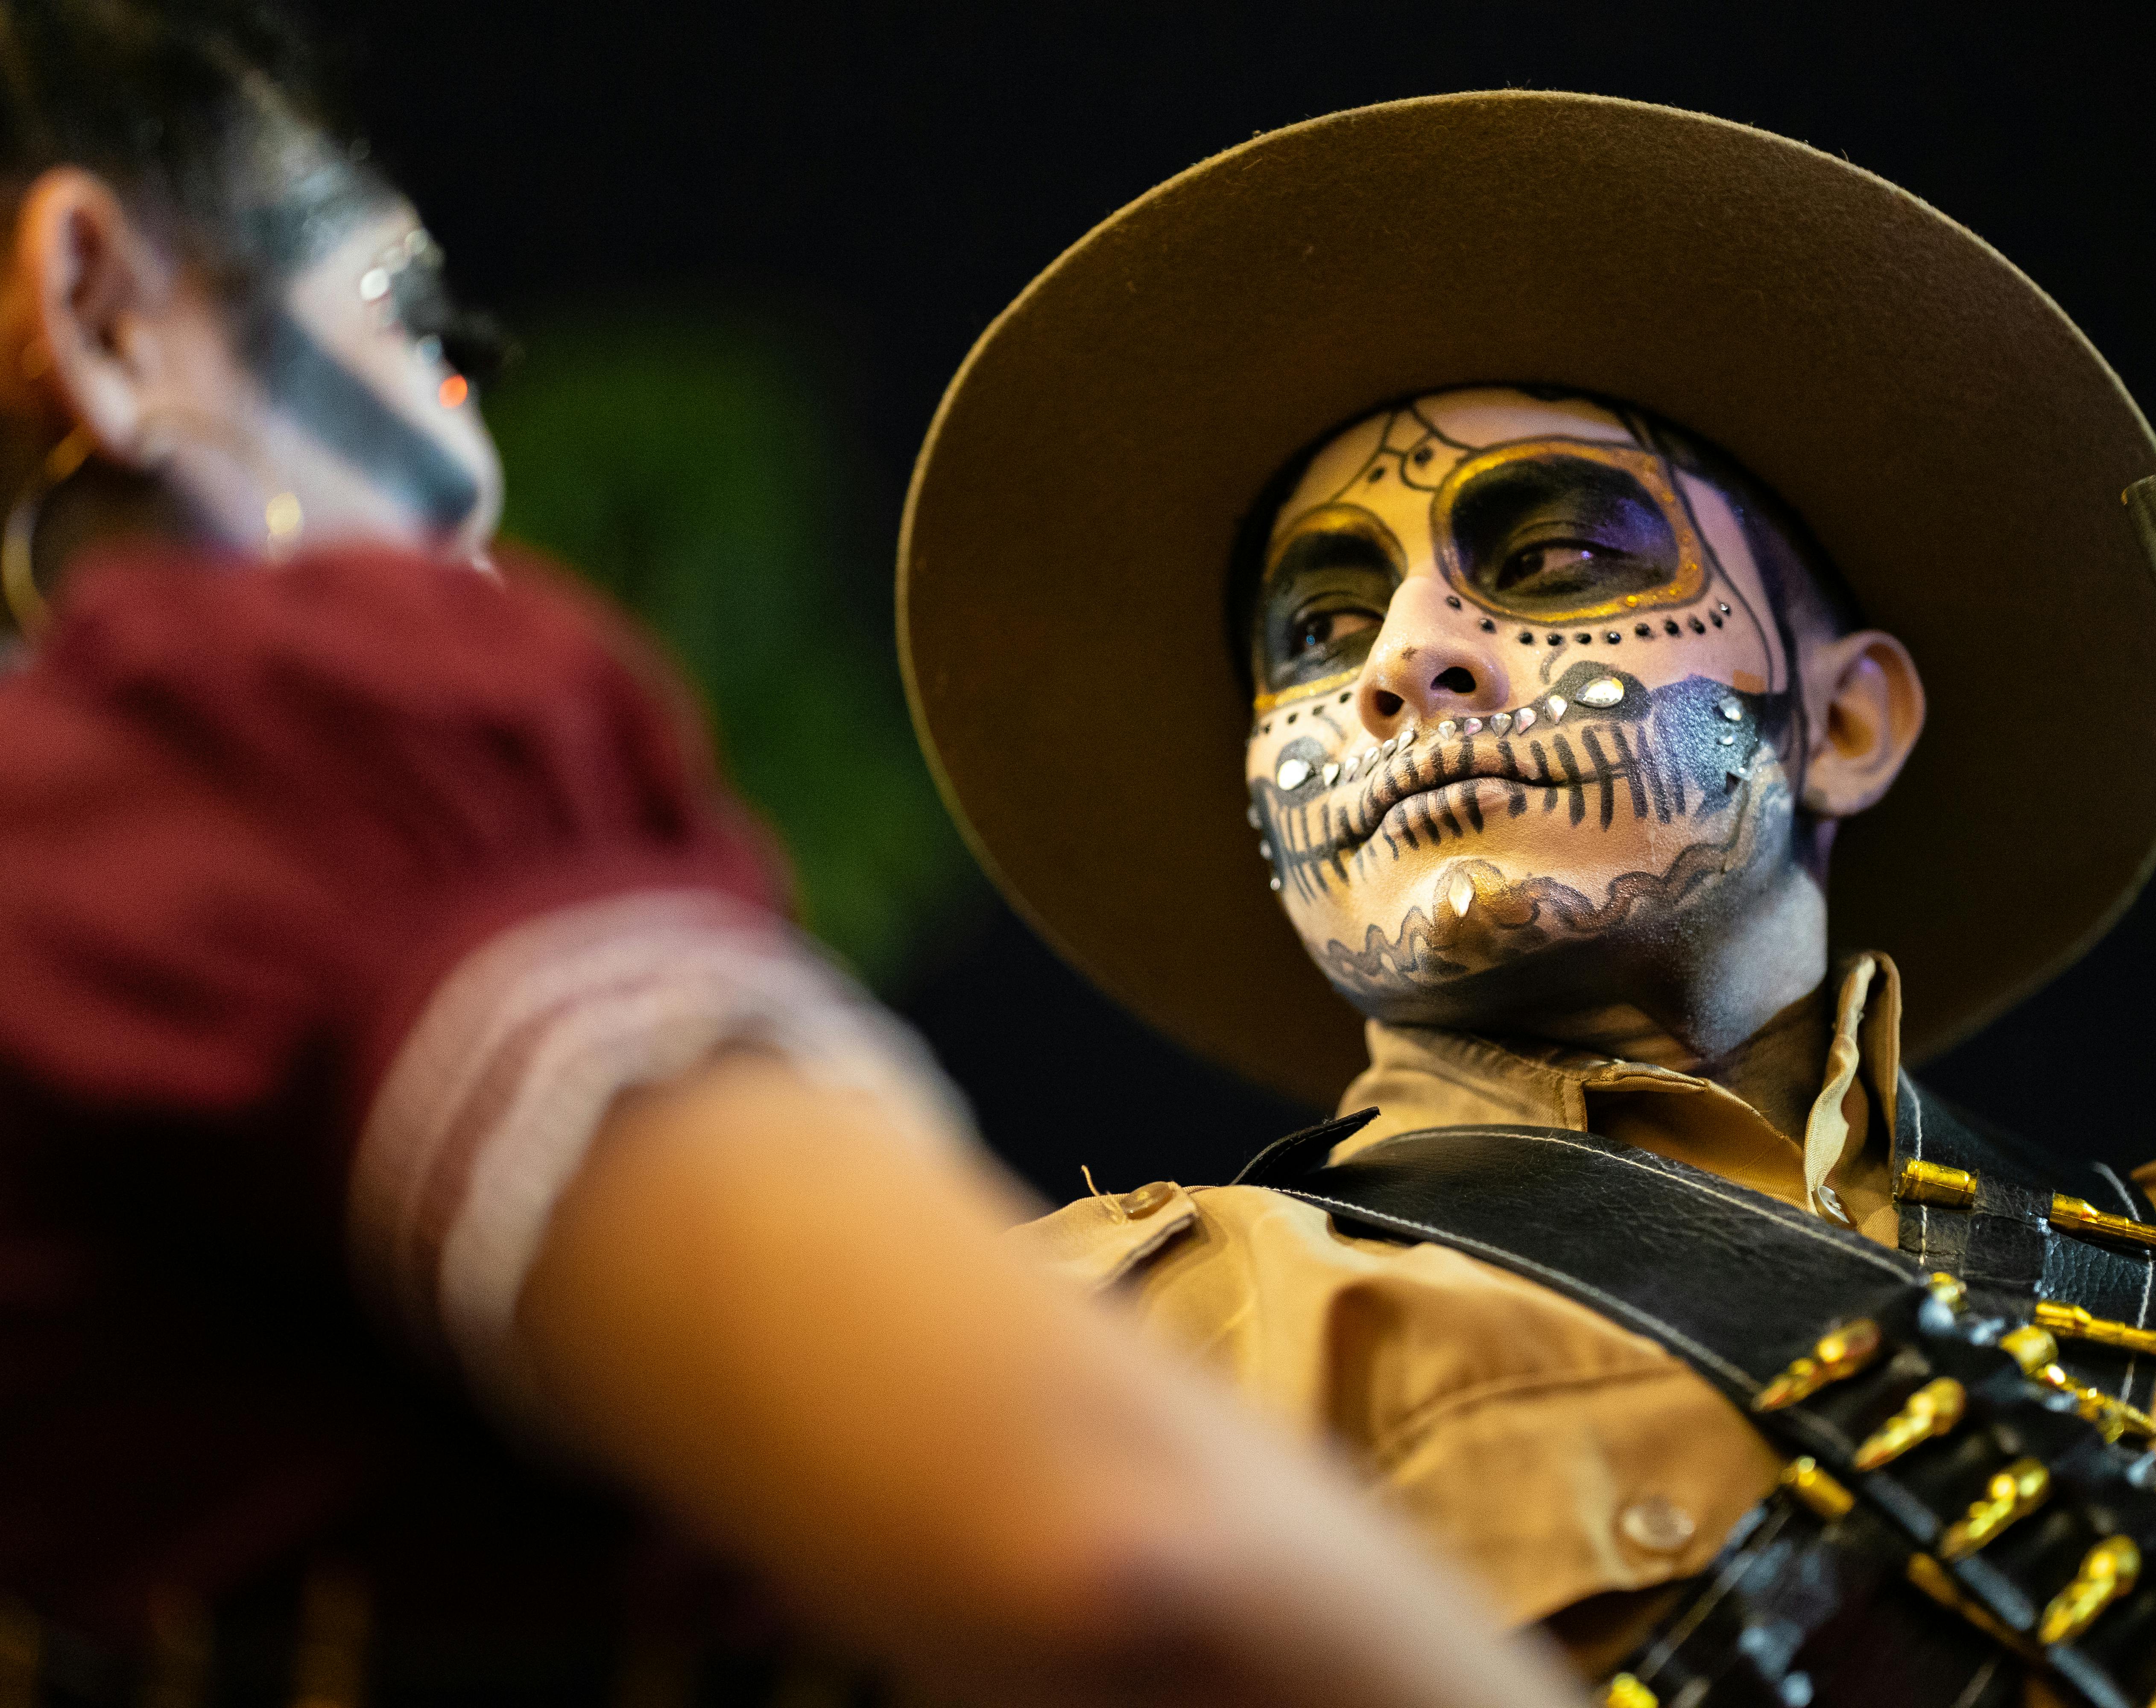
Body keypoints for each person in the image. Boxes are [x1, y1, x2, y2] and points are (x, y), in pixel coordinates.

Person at [0, 9, 1591, 1705]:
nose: (476, 477)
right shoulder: (277, 748)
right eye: (412, 323)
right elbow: (1127, 1545)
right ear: (102, 306)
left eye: (1556, 561)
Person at [898, 93, 2156, 1706]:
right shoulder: (1077, 1350)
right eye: (1322, 632)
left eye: (1551, 561)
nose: (1407, 660)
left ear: (1843, 720)